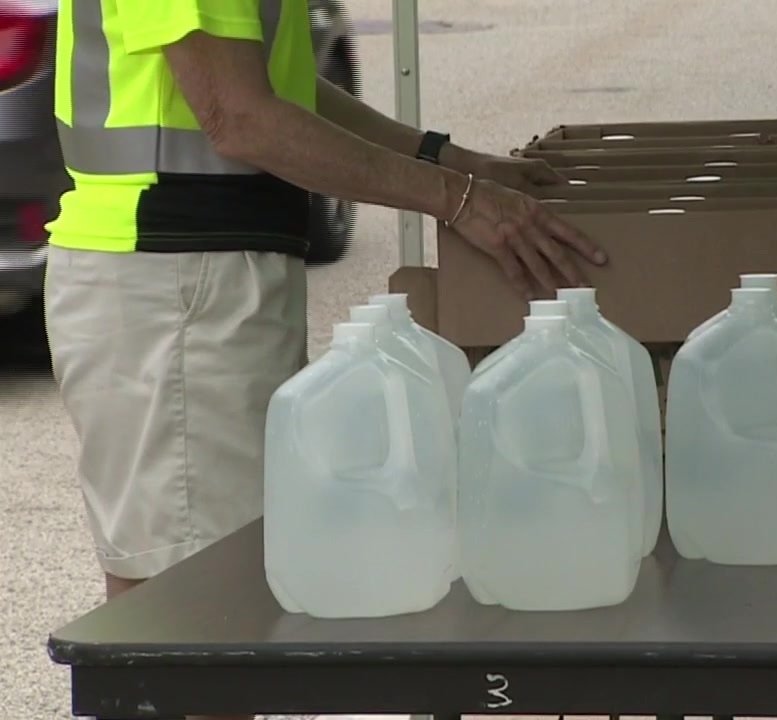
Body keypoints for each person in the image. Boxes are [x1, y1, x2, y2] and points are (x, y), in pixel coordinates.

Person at [44, 2, 605, 718]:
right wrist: (457, 199)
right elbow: (238, 116)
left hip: (188, 275)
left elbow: (278, 85)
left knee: (195, 593)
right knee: (194, 606)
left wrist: (446, 161)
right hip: (175, 278)